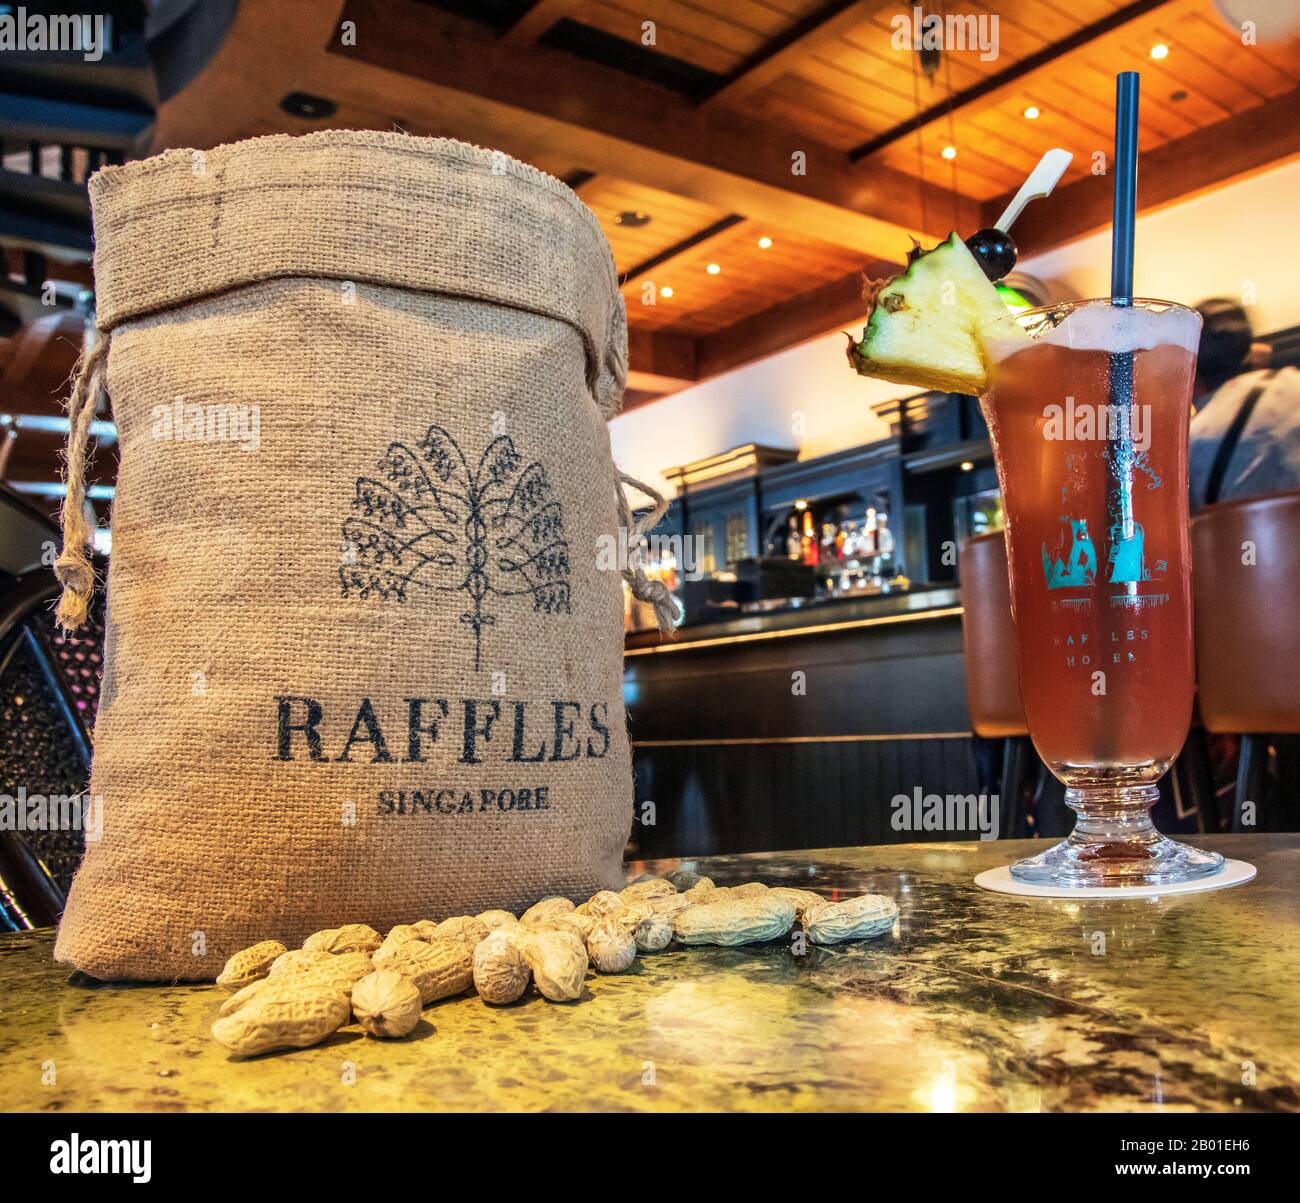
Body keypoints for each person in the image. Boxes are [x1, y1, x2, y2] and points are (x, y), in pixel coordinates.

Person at [1188, 298, 1300, 510]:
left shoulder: (1193, 441)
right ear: (1254, 350)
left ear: (1192, 375)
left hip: (1247, 543)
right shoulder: (1295, 383)